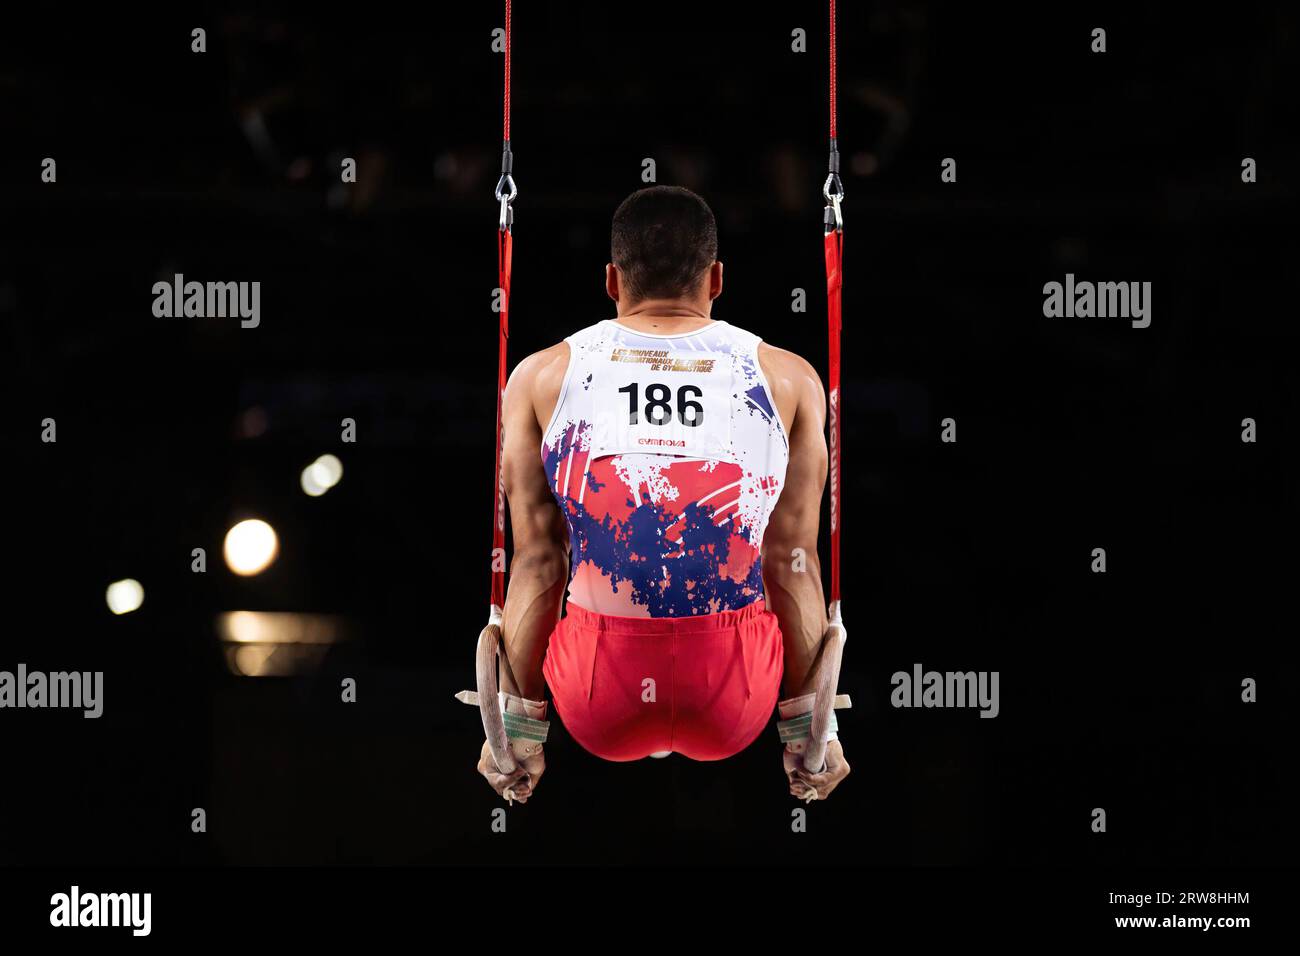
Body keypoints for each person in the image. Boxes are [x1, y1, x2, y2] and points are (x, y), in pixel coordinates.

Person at [475, 185, 850, 803]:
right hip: (733, 695)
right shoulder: (786, 376)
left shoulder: (545, 375)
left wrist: (510, 731)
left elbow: (539, 561)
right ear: (717, 278)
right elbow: (793, 563)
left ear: (612, 280)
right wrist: (815, 733)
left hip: (601, 696)